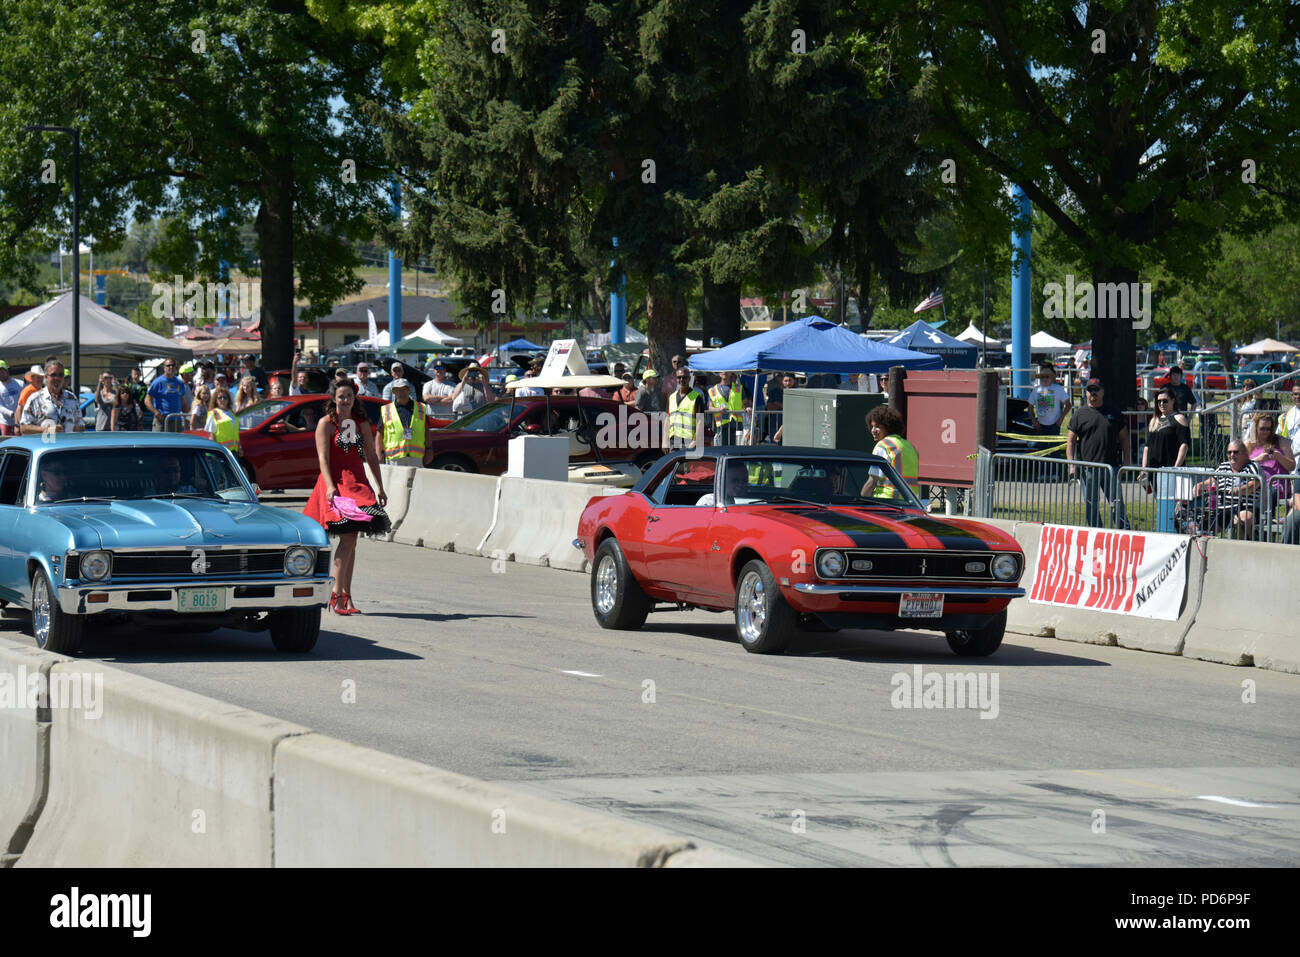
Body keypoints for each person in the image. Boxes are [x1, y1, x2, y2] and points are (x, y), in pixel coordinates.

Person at [302, 380, 391, 615]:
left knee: (352, 541)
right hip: (336, 484)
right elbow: (323, 459)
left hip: (358, 483)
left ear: (355, 397)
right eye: (341, 396)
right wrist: (330, 486)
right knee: (348, 538)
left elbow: (371, 456)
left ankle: (346, 597)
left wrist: (379, 486)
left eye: (349, 396)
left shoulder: (361, 423)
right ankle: (336, 595)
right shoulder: (326, 424)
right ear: (334, 398)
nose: (345, 400)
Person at [1066, 378, 1130, 529]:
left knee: (1117, 504)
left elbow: (1124, 438)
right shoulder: (1079, 414)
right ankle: (1096, 533)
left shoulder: (1114, 412)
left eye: (1096, 389)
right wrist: (1071, 465)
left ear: (1103, 392)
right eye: (1090, 390)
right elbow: (1070, 441)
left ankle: (1125, 532)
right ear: (1086, 393)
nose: (1093, 393)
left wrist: (1127, 461)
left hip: (1111, 468)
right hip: (1088, 469)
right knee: (1091, 506)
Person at [1140, 387, 1191, 532]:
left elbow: (1184, 445)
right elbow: (1147, 447)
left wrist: (1175, 468)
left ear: (1173, 401)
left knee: (1175, 509)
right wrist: (1144, 469)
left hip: (1171, 471)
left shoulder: (1179, 418)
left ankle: (1176, 533)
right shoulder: (1154, 420)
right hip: (1155, 471)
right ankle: (1165, 532)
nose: (1161, 404)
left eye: (1164, 401)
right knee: (1162, 506)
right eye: (1158, 401)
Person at [1191, 439, 1262, 539]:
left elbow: (1254, 484)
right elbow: (1212, 480)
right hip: (1222, 508)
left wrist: (1239, 490)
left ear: (1245, 454)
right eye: (1229, 452)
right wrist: (1200, 485)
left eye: (1236, 452)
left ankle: (1245, 548)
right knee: (1201, 526)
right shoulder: (1223, 466)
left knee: (1242, 519)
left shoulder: (1252, 466)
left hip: (1245, 506)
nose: (1232, 455)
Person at [860, 405, 920, 499]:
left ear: (888, 426)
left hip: (886, 502)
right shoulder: (910, 447)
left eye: (877, 426)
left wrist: (862, 499)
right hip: (910, 502)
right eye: (872, 426)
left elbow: (872, 481)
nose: (873, 430)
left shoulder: (883, 446)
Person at [377, 379, 434, 467]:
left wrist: (429, 449)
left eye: (404, 389)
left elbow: (426, 430)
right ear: (394, 392)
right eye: (398, 390)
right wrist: (379, 454)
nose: (401, 393)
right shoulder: (386, 410)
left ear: (408, 390)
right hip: (394, 458)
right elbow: (379, 434)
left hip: (416, 457)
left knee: (415, 481)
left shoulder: (420, 408)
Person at [1245, 413, 1295, 512]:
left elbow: (1291, 466)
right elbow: (1241, 464)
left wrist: (1278, 456)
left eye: (1268, 429)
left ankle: (1258, 515)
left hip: (1276, 485)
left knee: (1269, 491)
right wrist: (1258, 459)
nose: (1265, 432)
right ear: (1255, 428)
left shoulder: (1281, 441)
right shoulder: (1249, 443)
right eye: (1262, 428)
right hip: (1255, 484)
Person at [19, 361, 85, 435]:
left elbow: (81, 426)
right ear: (46, 377)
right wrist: (48, 430)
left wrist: (71, 429)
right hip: (46, 445)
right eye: (53, 375)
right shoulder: (35, 399)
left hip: (68, 445)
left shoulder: (72, 398)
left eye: (61, 375)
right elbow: (23, 428)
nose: (57, 378)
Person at [663, 370, 704, 451]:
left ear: (689, 379)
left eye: (684, 377)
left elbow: (700, 421)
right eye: (679, 377)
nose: (682, 379)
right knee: (673, 464)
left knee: (685, 464)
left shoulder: (697, 397)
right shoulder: (672, 397)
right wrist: (665, 440)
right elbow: (667, 419)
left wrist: (695, 441)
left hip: (688, 441)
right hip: (673, 440)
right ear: (676, 379)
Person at [147, 359, 193, 431]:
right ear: (164, 367)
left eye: (173, 365)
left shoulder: (179, 383)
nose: (171, 367)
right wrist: (156, 413)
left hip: (176, 420)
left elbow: (184, 402)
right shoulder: (158, 382)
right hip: (161, 421)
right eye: (168, 365)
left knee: (176, 442)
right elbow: (147, 400)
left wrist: (188, 414)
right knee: (159, 442)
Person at [1027, 363, 1071, 436]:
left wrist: (1061, 419)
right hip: (1040, 425)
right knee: (1041, 447)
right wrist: (1034, 421)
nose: (1045, 379)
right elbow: (1030, 407)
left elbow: (1068, 405)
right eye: (1043, 377)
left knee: (1053, 446)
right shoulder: (1036, 390)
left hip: (1055, 425)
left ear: (1051, 378)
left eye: (1047, 377)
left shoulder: (1058, 389)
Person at [707, 370, 749, 445]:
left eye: (727, 370)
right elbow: (710, 408)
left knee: (736, 450)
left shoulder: (739, 388)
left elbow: (745, 404)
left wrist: (747, 408)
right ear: (719, 373)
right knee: (723, 449)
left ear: (731, 373)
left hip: (736, 424)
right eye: (722, 370)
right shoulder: (712, 390)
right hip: (721, 425)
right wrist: (718, 409)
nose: (724, 372)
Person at [205, 387, 240, 454]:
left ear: (228, 399)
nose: (222, 399)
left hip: (233, 450)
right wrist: (216, 452)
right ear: (216, 400)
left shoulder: (231, 413)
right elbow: (212, 436)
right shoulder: (213, 413)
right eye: (219, 397)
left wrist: (239, 447)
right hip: (221, 452)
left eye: (225, 397)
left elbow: (235, 432)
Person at [0, 360, 27, 436]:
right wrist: (11, 414)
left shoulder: (20, 384)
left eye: (2, 371)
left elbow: (26, 399)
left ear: (7, 371)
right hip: (6, 423)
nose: (0, 374)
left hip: (21, 421)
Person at [1237, 379, 1259, 444]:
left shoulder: (1254, 400)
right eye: (1244, 386)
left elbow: (1256, 412)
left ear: (1252, 388)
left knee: (1250, 444)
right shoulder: (1243, 401)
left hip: (1251, 425)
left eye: (1249, 386)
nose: (1246, 387)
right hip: (1243, 425)